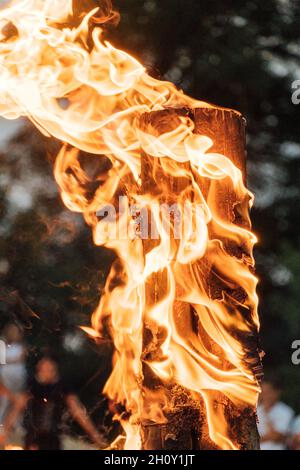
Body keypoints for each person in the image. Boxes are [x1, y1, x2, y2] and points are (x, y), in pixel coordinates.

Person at [6, 356, 103, 450]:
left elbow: (78, 412)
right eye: (43, 369)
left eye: (49, 369)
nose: (46, 372)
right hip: (33, 438)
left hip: (52, 439)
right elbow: (17, 408)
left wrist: (95, 436)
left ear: (55, 370)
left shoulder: (63, 387)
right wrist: (4, 431)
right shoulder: (32, 386)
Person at [0, 323, 27, 426]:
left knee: (15, 400)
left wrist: (5, 360)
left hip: (17, 378)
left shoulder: (21, 346)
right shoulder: (2, 344)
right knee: (3, 399)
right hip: (4, 377)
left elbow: (20, 357)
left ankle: (14, 424)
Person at [257, 377, 294, 450]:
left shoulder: (286, 412)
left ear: (277, 392)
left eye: (268, 392)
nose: (265, 395)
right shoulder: (255, 410)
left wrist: (266, 413)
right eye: (263, 392)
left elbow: (275, 436)